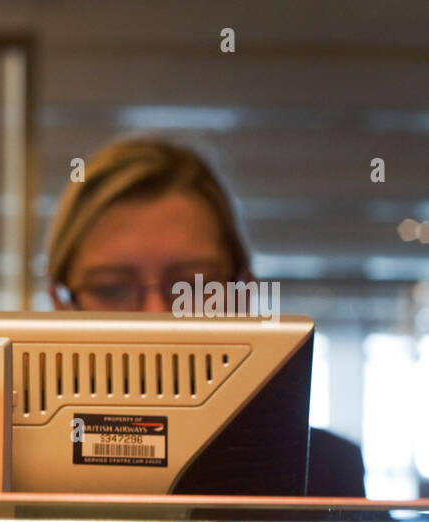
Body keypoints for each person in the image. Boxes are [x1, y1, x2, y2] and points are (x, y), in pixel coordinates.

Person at [43, 137, 365, 497]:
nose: (157, 316)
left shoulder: (323, 473)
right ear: (61, 305)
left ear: (243, 292)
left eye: (193, 286)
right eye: (112, 289)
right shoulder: (16, 474)